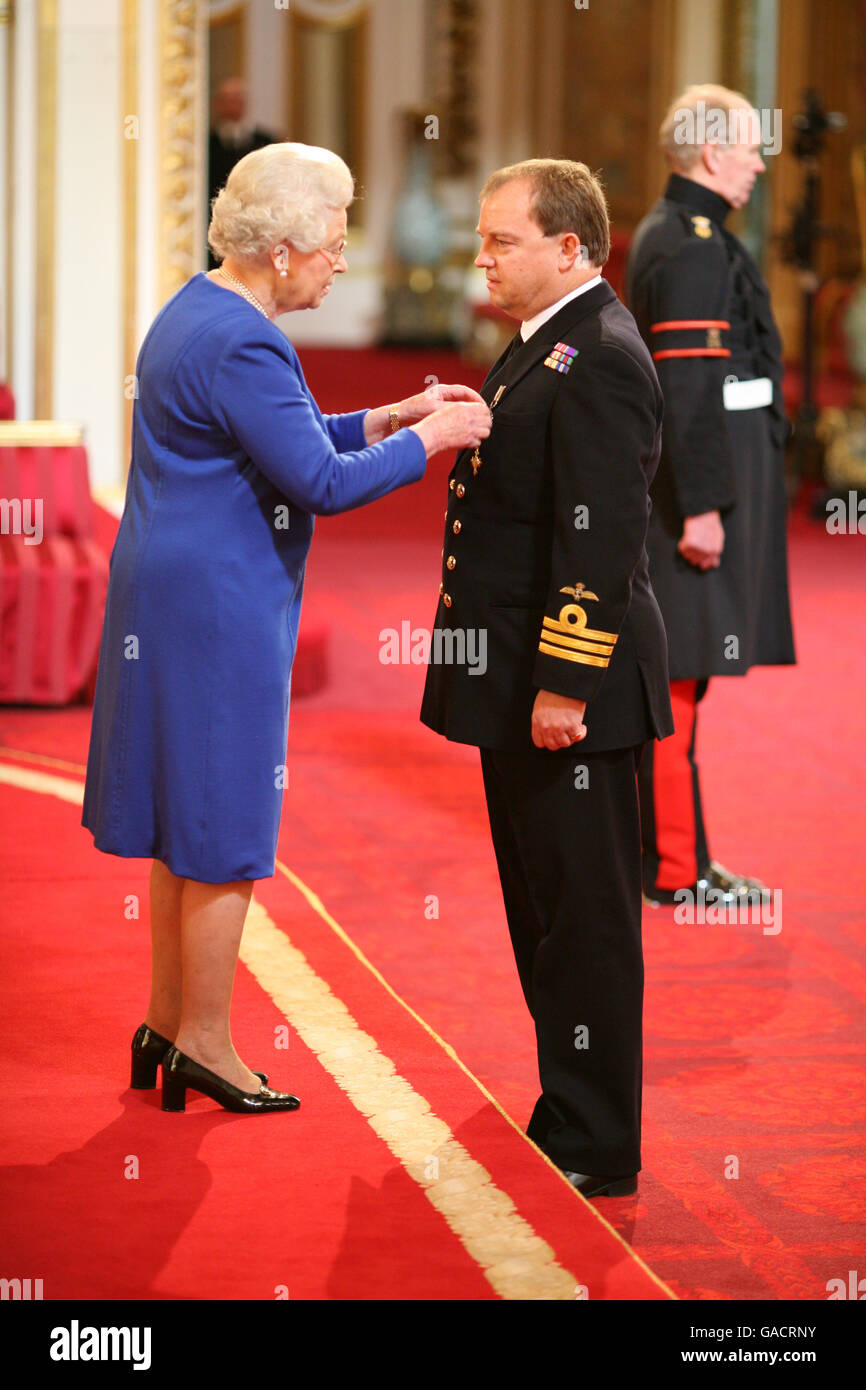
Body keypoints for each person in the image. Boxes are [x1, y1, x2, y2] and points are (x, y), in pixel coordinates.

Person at [82, 142, 491, 1115]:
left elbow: (281, 435)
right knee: (222, 823)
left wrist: (387, 416)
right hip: (220, 606)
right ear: (279, 251)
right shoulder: (247, 339)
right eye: (332, 245)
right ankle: (211, 1045)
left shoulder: (199, 308)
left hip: (168, 589)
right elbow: (315, 482)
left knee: (183, 813)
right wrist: (431, 442)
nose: (343, 262)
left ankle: (168, 1022)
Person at [420, 160, 673, 1197]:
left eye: (500, 239)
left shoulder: (601, 353)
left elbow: (601, 539)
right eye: (481, 237)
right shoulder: (545, 341)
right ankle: (563, 1102)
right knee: (542, 912)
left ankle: (598, 1137)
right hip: (518, 685)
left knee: (585, 922)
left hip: (572, 694)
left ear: (569, 247)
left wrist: (563, 683)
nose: (481, 255)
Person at [625, 85, 795, 907]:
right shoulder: (690, 243)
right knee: (680, 679)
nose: (760, 161)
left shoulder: (695, 234)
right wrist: (700, 506)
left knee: (690, 677)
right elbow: (688, 388)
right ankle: (671, 868)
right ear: (707, 151)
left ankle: (683, 856)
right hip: (700, 490)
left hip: (714, 480)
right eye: (748, 146)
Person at [207, 78, 279, 267]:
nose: (232, 105)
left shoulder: (266, 141)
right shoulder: (206, 144)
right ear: (217, 104)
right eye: (226, 100)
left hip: (255, 227)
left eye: (237, 99)